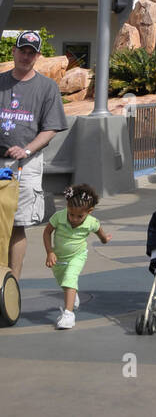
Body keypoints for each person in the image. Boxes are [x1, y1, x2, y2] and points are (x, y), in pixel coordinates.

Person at [1, 29, 69, 284]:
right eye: (22, 51)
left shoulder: (47, 87)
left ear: (37, 56)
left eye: (31, 53)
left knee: (17, 223)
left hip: (24, 163)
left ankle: (11, 285)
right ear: (14, 51)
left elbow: (50, 128)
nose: (26, 56)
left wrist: (27, 149)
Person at [43, 182, 111, 329]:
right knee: (64, 281)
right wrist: (50, 252)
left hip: (78, 256)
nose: (74, 219)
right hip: (59, 257)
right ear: (67, 207)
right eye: (71, 214)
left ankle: (68, 315)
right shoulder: (59, 217)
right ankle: (72, 295)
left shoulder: (91, 222)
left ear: (90, 211)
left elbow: (100, 231)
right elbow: (47, 232)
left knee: (70, 277)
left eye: (79, 216)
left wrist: (105, 240)